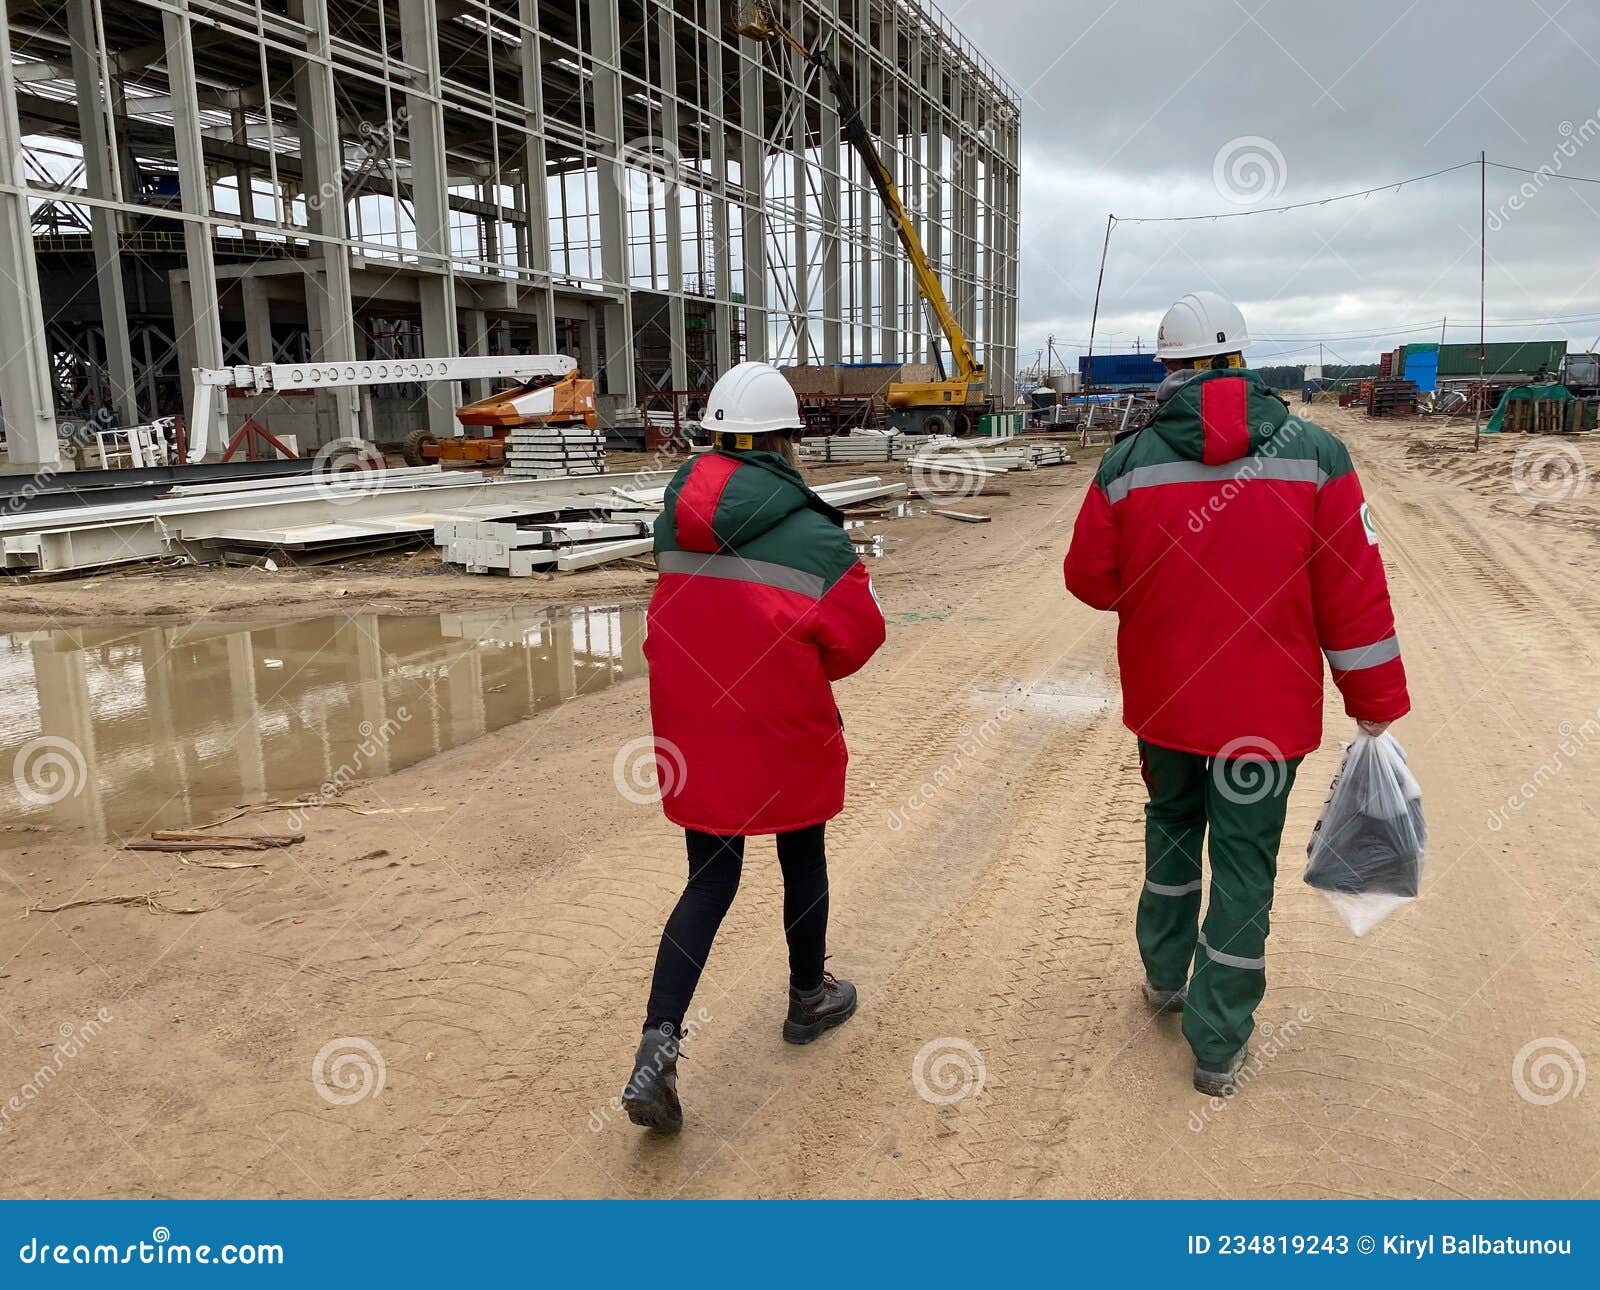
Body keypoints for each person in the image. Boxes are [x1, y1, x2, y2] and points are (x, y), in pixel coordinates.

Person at [1064, 291, 1410, 1097]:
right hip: (1266, 719)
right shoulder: (1317, 455)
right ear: (1243, 360)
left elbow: (1088, 578)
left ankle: (1163, 977)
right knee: (1245, 865)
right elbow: (1352, 593)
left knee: (1174, 834)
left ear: (1169, 367)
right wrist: (1373, 698)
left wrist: (1163, 593)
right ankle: (1217, 1046)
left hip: (1166, 709)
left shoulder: (1128, 460)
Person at [621, 361, 887, 1132]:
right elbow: (858, 640)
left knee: (708, 882)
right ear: (784, 442)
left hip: (695, 723)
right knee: (802, 853)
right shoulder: (812, 531)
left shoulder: (674, 517)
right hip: (781, 725)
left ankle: (657, 1047)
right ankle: (809, 998)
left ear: (711, 436)